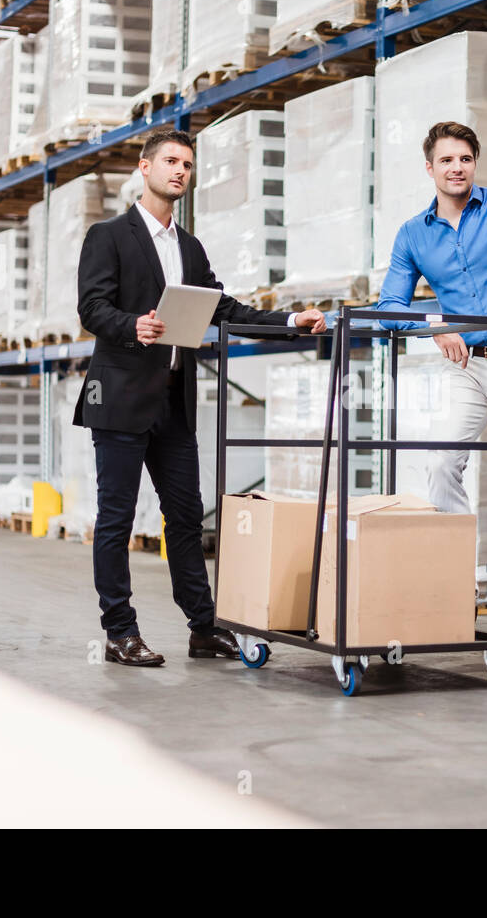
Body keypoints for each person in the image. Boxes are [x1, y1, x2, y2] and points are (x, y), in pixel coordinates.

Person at [73, 127, 326, 667]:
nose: (179, 171)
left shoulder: (189, 247)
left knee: (186, 518)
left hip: (171, 399)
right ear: (144, 168)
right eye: (170, 161)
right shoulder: (109, 236)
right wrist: (130, 325)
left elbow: (223, 308)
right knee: (115, 519)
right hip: (119, 398)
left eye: (187, 164)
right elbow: (91, 308)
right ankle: (120, 631)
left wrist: (287, 321)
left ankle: (203, 627)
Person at [374, 121, 487, 656]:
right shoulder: (414, 234)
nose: (457, 167)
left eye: (466, 159)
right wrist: (435, 323)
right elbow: (390, 307)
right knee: (439, 465)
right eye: (447, 160)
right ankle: (459, 591)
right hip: (470, 366)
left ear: (475, 164)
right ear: (429, 168)